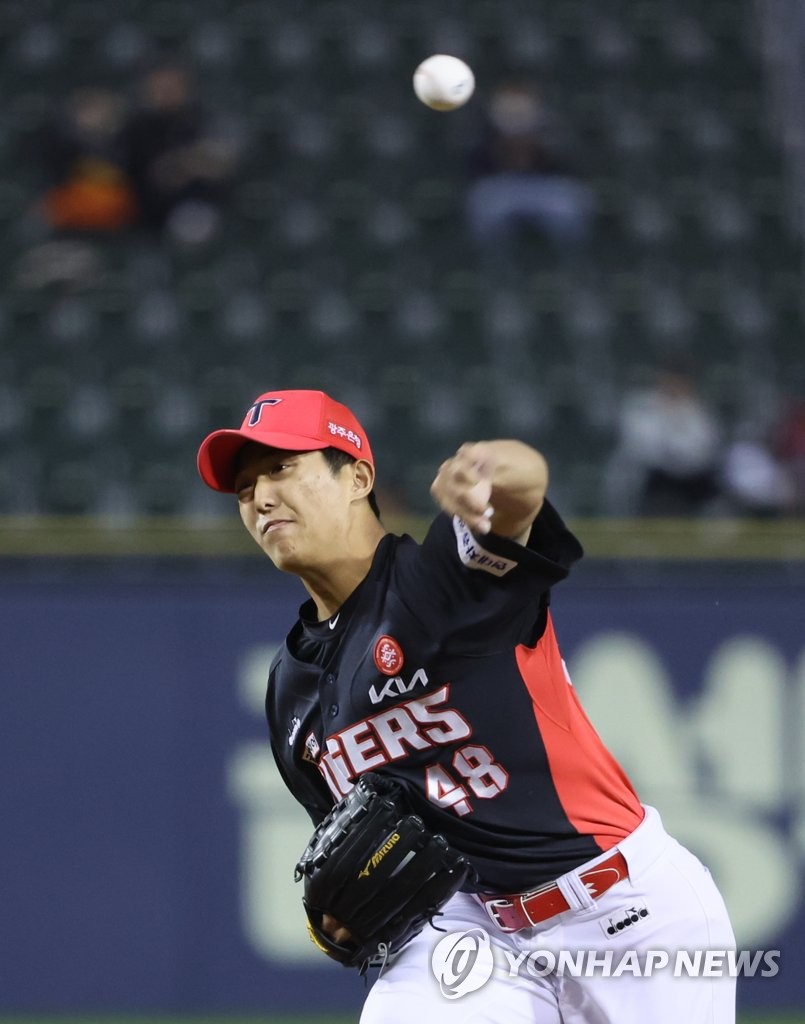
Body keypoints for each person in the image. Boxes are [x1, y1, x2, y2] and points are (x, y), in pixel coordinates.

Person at [197, 389, 736, 1023]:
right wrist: (339, 917)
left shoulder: (442, 579)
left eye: (282, 468)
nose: (260, 498)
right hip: (474, 935)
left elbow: (520, 494)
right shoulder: (290, 689)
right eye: (244, 488)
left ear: (357, 477)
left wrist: (494, 471)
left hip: (628, 909)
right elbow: (354, 851)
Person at [464, 80, 595, 276]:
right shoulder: (485, 129)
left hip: (543, 186)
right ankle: (494, 270)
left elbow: (567, 164)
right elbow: (474, 166)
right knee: (483, 206)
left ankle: (572, 269)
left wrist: (536, 147)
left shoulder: (550, 127)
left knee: (572, 204)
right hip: (501, 185)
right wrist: (503, 148)